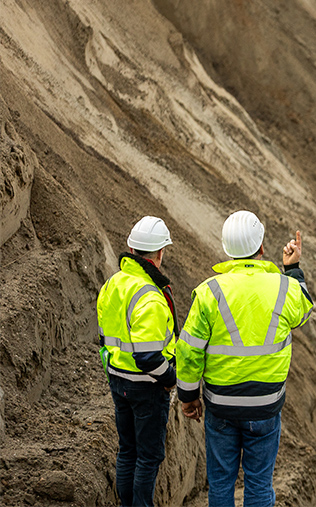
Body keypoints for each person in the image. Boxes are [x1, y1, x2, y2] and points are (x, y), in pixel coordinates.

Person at [175, 210, 313, 507]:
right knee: (259, 486)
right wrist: (294, 269)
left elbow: (189, 351)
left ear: (227, 251)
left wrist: (188, 396)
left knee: (221, 483)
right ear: (261, 247)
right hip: (265, 406)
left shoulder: (209, 292)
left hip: (221, 405)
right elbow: (303, 310)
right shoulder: (283, 286)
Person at [96, 216, 178, 507]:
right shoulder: (151, 297)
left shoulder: (112, 284)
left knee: (127, 450)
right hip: (147, 387)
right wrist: (170, 379)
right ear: (159, 253)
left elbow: (105, 336)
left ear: (131, 250)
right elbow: (147, 357)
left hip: (118, 380)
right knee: (148, 456)